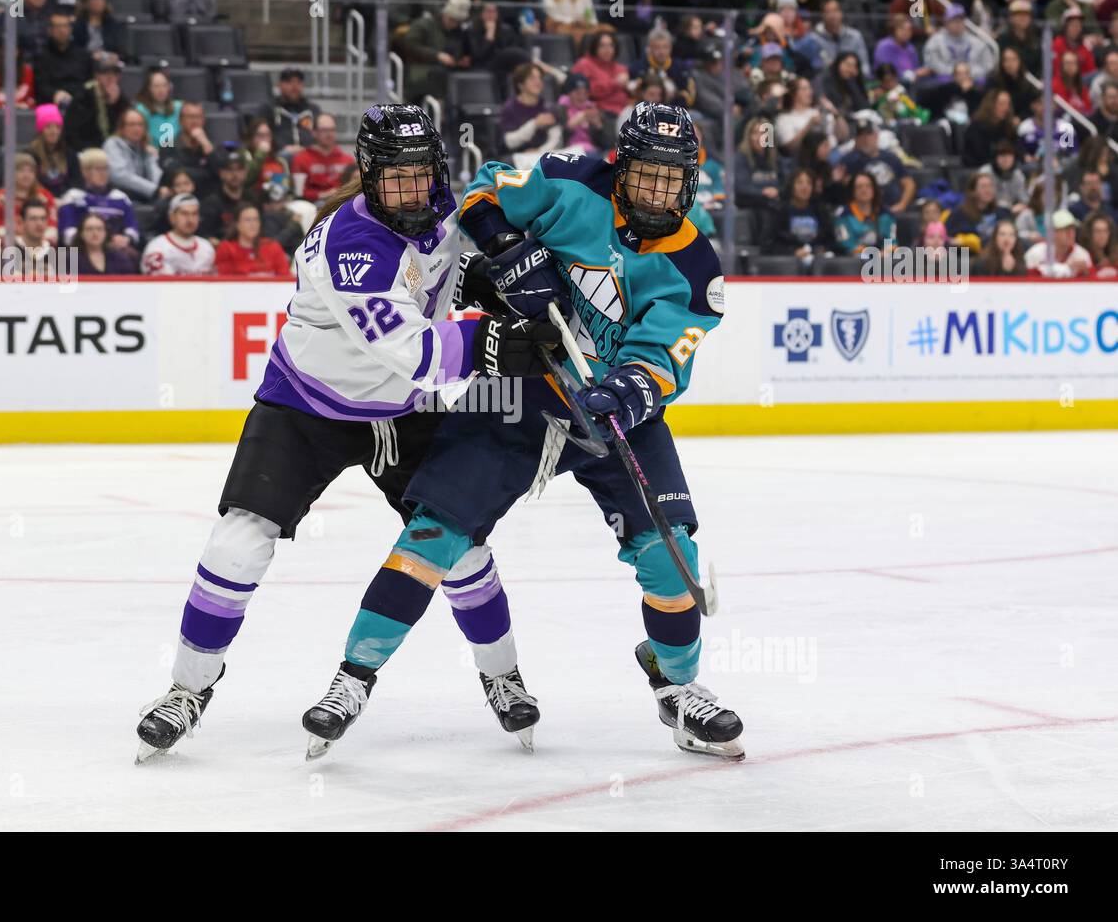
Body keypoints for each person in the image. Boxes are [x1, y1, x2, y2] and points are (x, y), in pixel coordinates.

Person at [299, 102, 744, 761]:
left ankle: (678, 685)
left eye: (670, 181)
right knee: (432, 535)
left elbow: (665, 359)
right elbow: (485, 187)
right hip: (519, 390)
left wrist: (628, 387)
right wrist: (507, 248)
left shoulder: (695, 269)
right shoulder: (570, 180)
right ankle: (352, 677)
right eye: (645, 176)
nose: (656, 193)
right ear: (621, 169)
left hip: (613, 412)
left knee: (668, 554)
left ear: (689, 183)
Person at [134, 104, 558, 763]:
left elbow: (443, 269)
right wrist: (495, 338)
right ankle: (188, 686)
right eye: (394, 179)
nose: (409, 191)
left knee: (459, 546)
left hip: (402, 410)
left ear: (437, 171)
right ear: (368, 176)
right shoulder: (349, 245)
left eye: (420, 175)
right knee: (238, 543)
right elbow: (418, 351)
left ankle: (502, 674)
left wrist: (490, 274)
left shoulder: (442, 210)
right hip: (307, 406)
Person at [57, 147, 139, 253]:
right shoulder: (73, 197)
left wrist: (126, 239)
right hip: (82, 250)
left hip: (116, 249)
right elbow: (67, 231)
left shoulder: (121, 197)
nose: (102, 173)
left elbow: (133, 228)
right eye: (97, 169)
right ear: (84, 172)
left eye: (105, 169)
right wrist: (96, 243)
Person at [499, 62, 564, 169]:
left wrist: (539, 151)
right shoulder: (509, 108)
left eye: (539, 78)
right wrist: (534, 124)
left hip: (543, 154)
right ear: (520, 85)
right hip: (518, 156)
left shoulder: (548, 107)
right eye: (532, 78)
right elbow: (509, 142)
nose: (538, 82)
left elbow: (555, 139)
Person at [63, 55, 131, 152]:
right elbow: (72, 135)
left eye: (114, 73)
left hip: (115, 151)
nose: (110, 77)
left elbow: (125, 130)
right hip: (87, 151)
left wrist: (114, 105)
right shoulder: (84, 97)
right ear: (97, 76)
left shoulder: (122, 100)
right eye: (105, 73)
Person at [0, 151, 59, 242]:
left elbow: (51, 228)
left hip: (39, 244)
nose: (27, 175)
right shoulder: (0, 198)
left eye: (31, 171)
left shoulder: (45, 197)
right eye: (21, 170)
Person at [139, 193, 215, 275]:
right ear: (172, 217)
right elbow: (160, 285)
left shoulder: (207, 247)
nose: (190, 220)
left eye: (194, 214)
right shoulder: (157, 247)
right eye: (184, 214)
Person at [289, 113, 355, 203]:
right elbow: (299, 192)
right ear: (314, 132)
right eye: (324, 130)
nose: (329, 134)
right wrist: (323, 194)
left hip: (340, 203)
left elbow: (353, 188)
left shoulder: (348, 160)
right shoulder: (301, 159)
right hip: (312, 205)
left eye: (332, 130)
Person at [255, 68, 319, 157]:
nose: (294, 86)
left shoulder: (313, 110)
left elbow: (320, 136)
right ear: (279, 85)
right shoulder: (269, 109)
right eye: (289, 82)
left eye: (298, 82)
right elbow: (262, 136)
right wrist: (282, 148)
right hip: (279, 155)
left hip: (309, 156)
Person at [34, 11, 93, 106]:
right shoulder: (42, 57)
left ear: (70, 29)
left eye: (65, 26)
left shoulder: (83, 55)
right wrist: (55, 94)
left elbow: (90, 82)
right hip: (53, 103)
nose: (62, 30)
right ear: (50, 30)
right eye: (57, 26)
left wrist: (80, 95)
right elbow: (41, 86)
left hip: (81, 102)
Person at [213, 203, 289, 275]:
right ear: (237, 224)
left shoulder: (273, 247)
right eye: (248, 220)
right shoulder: (226, 248)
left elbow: (285, 278)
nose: (253, 224)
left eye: (256, 219)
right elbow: (221, 280)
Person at [104, 107, 163, 202]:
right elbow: (119, 175)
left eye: (140, 125)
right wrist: (154, 189)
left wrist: (151, 158)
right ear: (122, 128)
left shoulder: (145, 148)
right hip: (121, 196)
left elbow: (156, 176)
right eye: (131, 125)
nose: (137, 128)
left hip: (145, 197)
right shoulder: (113, 144)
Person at [571, 31, 632, 117]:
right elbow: (585, 92)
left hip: (624, 111)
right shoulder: (584, 64)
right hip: (599, 112)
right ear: (594, 47)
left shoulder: (620, 68)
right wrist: (615, 83)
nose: (607, 49)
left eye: (611, 45)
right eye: (602, 46)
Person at [834, 171, 896, 256]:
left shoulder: (885, 213)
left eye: (868, 186)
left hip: (883, 261)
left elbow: (891, 242)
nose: (864, 190)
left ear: (874, 189)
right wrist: (873, 254)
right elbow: (847, 245)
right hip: (854, 262)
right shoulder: (843, 214)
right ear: (852, 191)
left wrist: (886, 252)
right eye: (859, 187)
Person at [198, 148, 254, 241]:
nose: (235, 174)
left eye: (239, 170)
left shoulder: (252, 198)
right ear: (221, 173)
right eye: (230, 170)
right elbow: (204, 234)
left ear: (245, 173)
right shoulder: (211, 202)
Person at [26, 103, 79, 198]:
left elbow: (76, 183)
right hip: (38, 200)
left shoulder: (69, 154)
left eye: (58, 127)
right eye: (48, 127)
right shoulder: (30, 155)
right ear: (41, 130)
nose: (54, 131)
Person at [1025, 209, 1094, 277]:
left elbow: (1093, 282)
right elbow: (1024, 279)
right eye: (1066, 230)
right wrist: (1065, 268)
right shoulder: (1035, 253)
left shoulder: (1082, 254)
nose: (1071, 233)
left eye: (1073, 229)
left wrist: (1086, 272)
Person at [134, 69, 181, 151]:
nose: (161, 90)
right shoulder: (141, 110)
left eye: (164, 85)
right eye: (156, 86)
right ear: (149, 88)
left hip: (176, 154)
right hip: (150, 153)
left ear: (169, 88)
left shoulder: (179, 107)